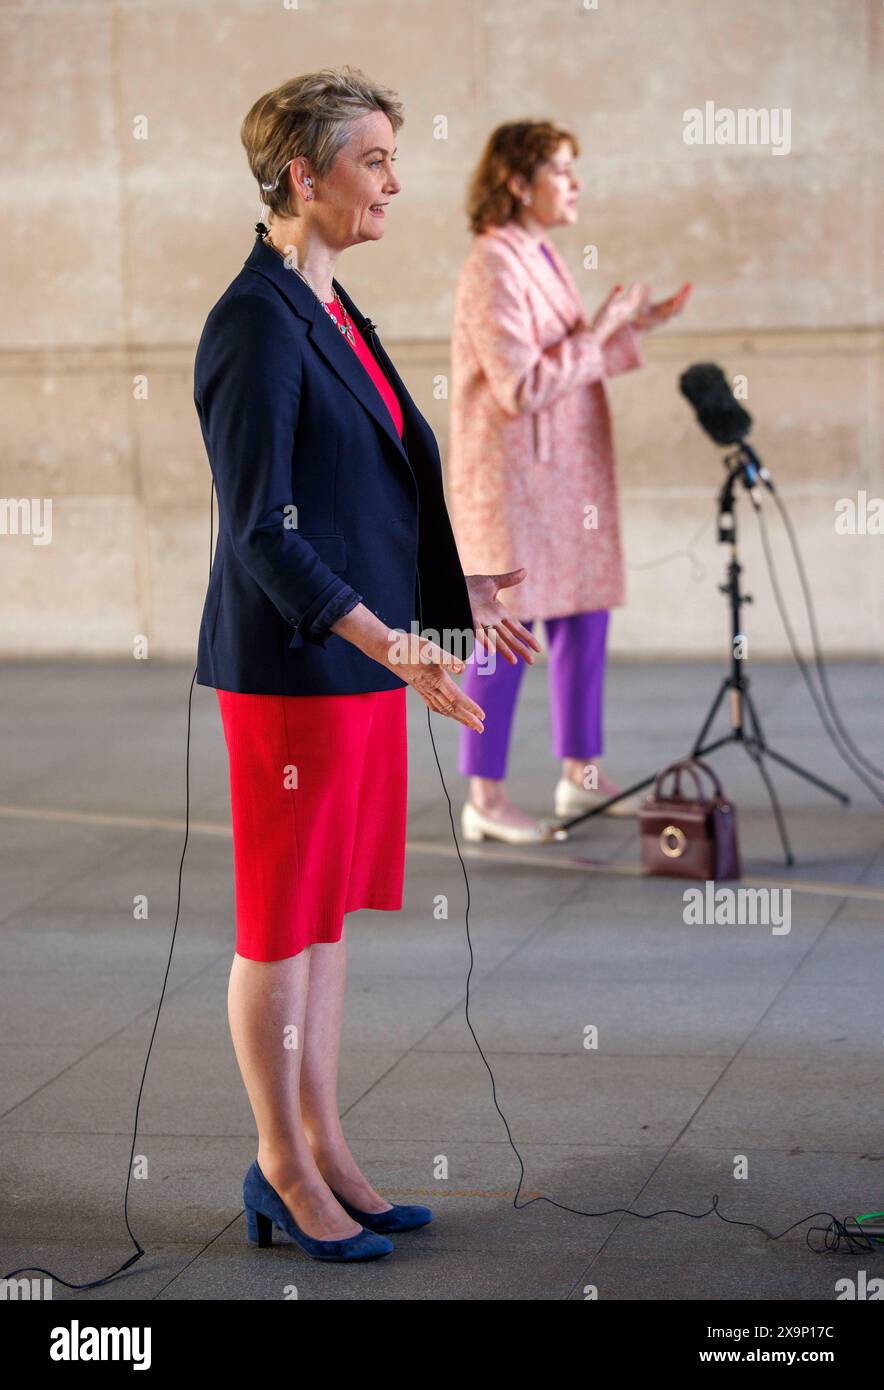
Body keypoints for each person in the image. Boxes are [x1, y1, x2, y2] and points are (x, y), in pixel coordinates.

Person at [194, 69, 541, 1263]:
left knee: (326, 918)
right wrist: (391, 642)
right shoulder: (254, 319)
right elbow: (264, 528)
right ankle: (278, 1161)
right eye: (374, 161)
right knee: (279, 923)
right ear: (305, 174)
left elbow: (380, 479)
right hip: (296, 664)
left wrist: (463, 601)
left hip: (359, 661)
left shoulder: (332, 307)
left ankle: (323, 1143)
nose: (393, 182)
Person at [448, 120, 691, 844]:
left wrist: (628, 327)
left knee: (585, 614)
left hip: (563, 478)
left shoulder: (540, 254)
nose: (575, 182)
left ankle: (579, 775)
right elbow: (521, 385)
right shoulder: (492, 263)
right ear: (517, 182)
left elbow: (566, 357)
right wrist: (602, 328)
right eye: (561, 169)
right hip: (514, 480)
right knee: (506, 626)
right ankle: (484, 796)